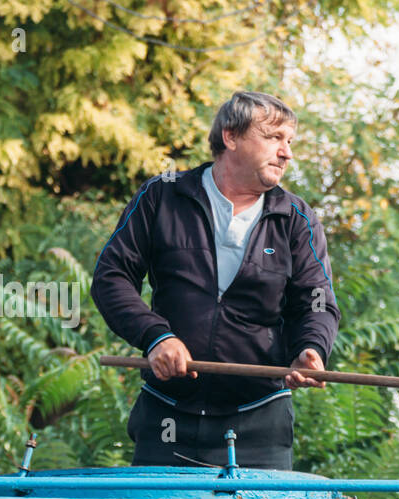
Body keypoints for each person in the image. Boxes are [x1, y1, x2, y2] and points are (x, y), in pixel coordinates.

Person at [91, 91, 340, 469]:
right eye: (274, 138)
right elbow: (111, 277)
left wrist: (312, 347)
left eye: (289, 142)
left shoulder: (297, 218)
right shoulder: (161, 195)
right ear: (231, 136)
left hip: (261, 422)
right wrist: (156, 336)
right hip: (166, 416)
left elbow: (317, 301)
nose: (286, 153)